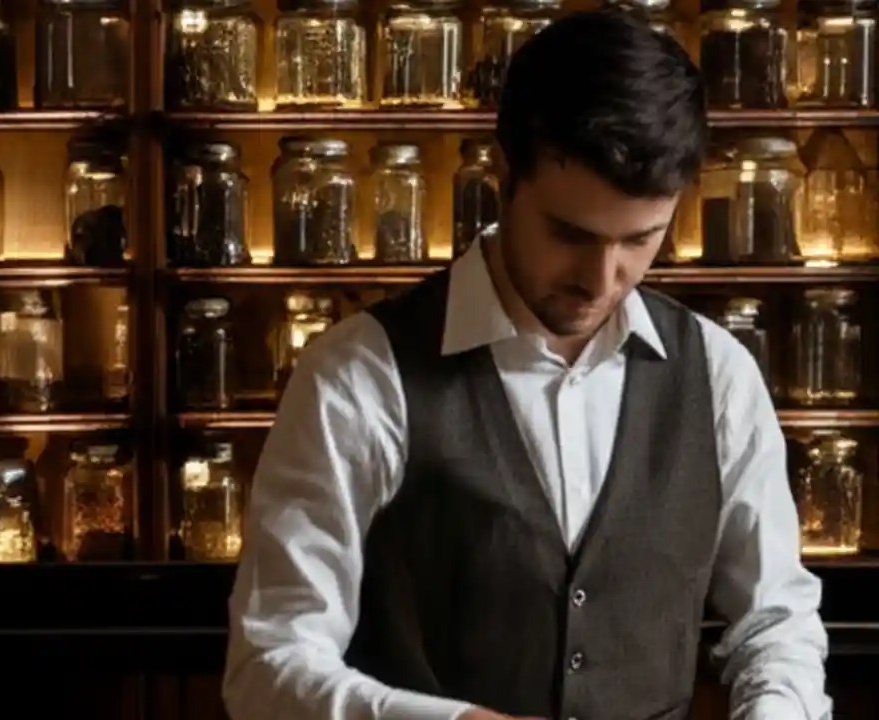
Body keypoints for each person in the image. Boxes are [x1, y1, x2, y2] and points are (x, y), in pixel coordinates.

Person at [222, 10, 831, 720]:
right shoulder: (356, 375)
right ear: (504, 173)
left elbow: (776, 622)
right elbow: (268, 668)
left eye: (640, 239)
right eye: (569, 233)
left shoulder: (719, 377)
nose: (602, 278)